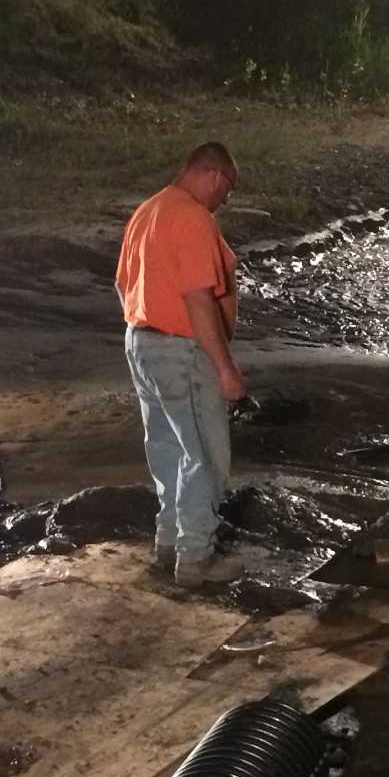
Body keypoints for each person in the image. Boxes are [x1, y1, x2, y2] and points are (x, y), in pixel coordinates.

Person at [117, 142, 246, 589]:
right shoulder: (192, 217)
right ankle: (196, 559)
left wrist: (146, 334)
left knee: (168, 449)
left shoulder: (147, 211)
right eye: (228, 189)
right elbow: (197, 300)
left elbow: (123, 285)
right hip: (181, 351)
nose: (226, 199)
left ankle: (168, 543)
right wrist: (225, 368)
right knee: (204, 455)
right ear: (213, 175)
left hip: (141, 342)